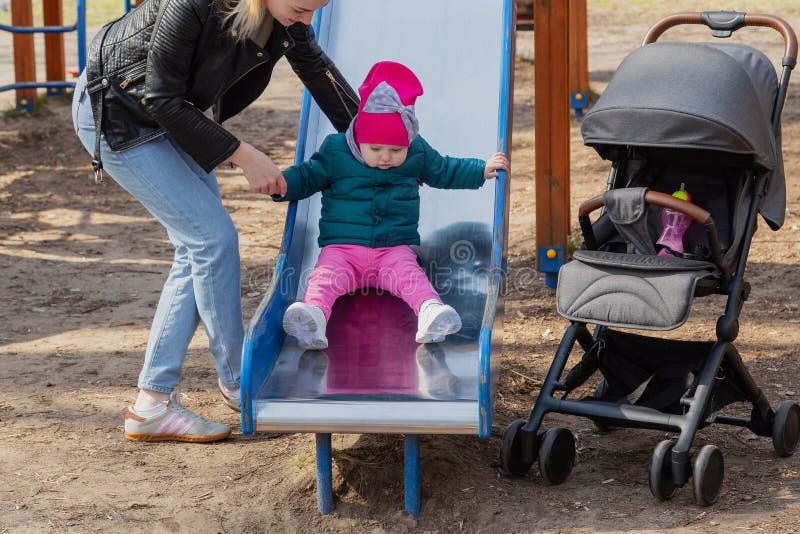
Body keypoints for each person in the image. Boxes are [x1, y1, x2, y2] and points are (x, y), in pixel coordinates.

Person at [71, 0, 359, 442]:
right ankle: (238, 382)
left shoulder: (286, 20)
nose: (307, 22)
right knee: (212, 240)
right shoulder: (194, 4)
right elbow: (160, 96)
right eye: (301, 8)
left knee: (199, 246)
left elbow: (318, 73)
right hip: (117, 114)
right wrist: (245, 156)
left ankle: (152, 403)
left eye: (314, 11)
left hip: (167, 114)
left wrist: (374, 141)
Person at [276, 61, 509, 349]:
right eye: (375, 149)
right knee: (324, 279)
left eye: (395, 150)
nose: (385, 157)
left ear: (408, 142)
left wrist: (480, 169)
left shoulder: (416, 152)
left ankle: (430, 313)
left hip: (392, 250)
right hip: (343, 249)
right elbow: (308, 176)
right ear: (358, 138)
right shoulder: (335, 151)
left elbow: (444, 169)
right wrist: (282, 183)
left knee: (411, 278)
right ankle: (313, 320)